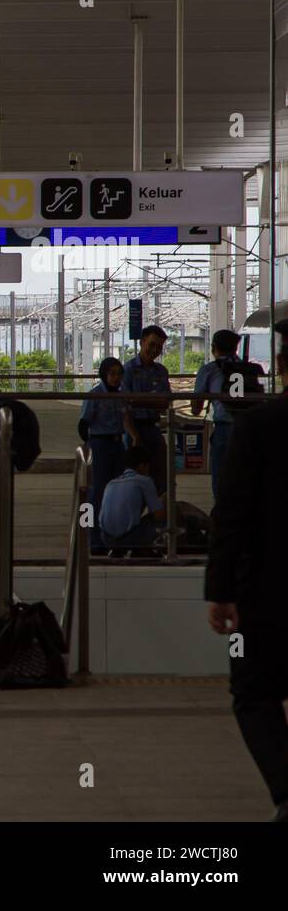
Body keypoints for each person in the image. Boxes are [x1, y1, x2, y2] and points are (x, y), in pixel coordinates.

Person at [205, 318, 288, 821]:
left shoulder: (258, 427)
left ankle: (286, 790)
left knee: (253, 693)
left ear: (280, 367)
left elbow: (230, 514)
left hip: (268, 591)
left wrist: (220, 588)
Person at [77, 357, 138, 548]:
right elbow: (83, 423)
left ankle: (114, 535)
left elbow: (126, 417)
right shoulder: (95, 395)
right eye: (112, 374)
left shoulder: (122, 394)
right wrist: (89, 446)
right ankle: (92, 538)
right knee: (96, 492)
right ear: (104, 374)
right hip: (100, 443)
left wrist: (134, 437)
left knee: (116, 490)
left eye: (119, 374)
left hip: (117, 443)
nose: (116, 378)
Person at [191, 329, 258, 501]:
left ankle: (222, 516)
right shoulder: (248, 368)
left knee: (221, 478)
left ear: (214, 347)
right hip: (248, 429)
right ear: (236, 348)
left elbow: (196, 408)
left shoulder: (209, 370)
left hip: (224, 429)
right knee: (245, 477)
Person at [121, 324, 172, 493]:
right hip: (133, 430)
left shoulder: (161, 371)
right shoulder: (127, 370)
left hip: (153, 428)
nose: (155, 350)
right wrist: (152, 400)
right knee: (133, 479)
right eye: (152, 344)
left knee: (160, 476)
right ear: (142, 342)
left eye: (159, 346)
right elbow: (126, 402)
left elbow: (165, 402)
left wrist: (139, 399)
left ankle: (158, 514)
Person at [98, 443, 168, 553]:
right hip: (129, 539)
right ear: (142, 466)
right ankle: (142, 550)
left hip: (106, 538)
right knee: (168, 519)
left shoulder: (111, 483)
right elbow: (159, 516)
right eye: (147, 467)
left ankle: (118, 550)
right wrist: (164, 500)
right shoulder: (144, 481)